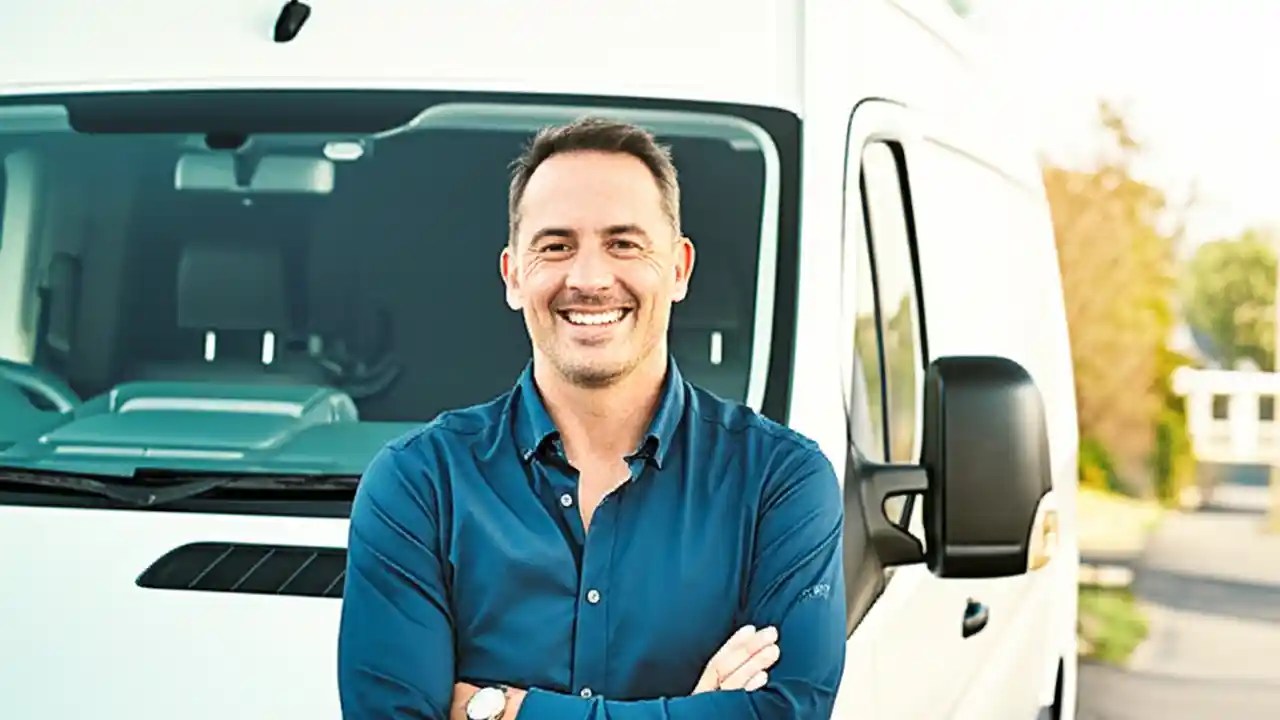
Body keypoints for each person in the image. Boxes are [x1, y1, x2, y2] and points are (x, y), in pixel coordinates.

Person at [336, 116, 848, 719]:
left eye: (623, 244)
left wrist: (503, 711)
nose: (589, 279)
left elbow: (787, 712)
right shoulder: (419, 484)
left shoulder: (780, 481)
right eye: (556, 246)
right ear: (513, 276)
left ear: (679, 269)